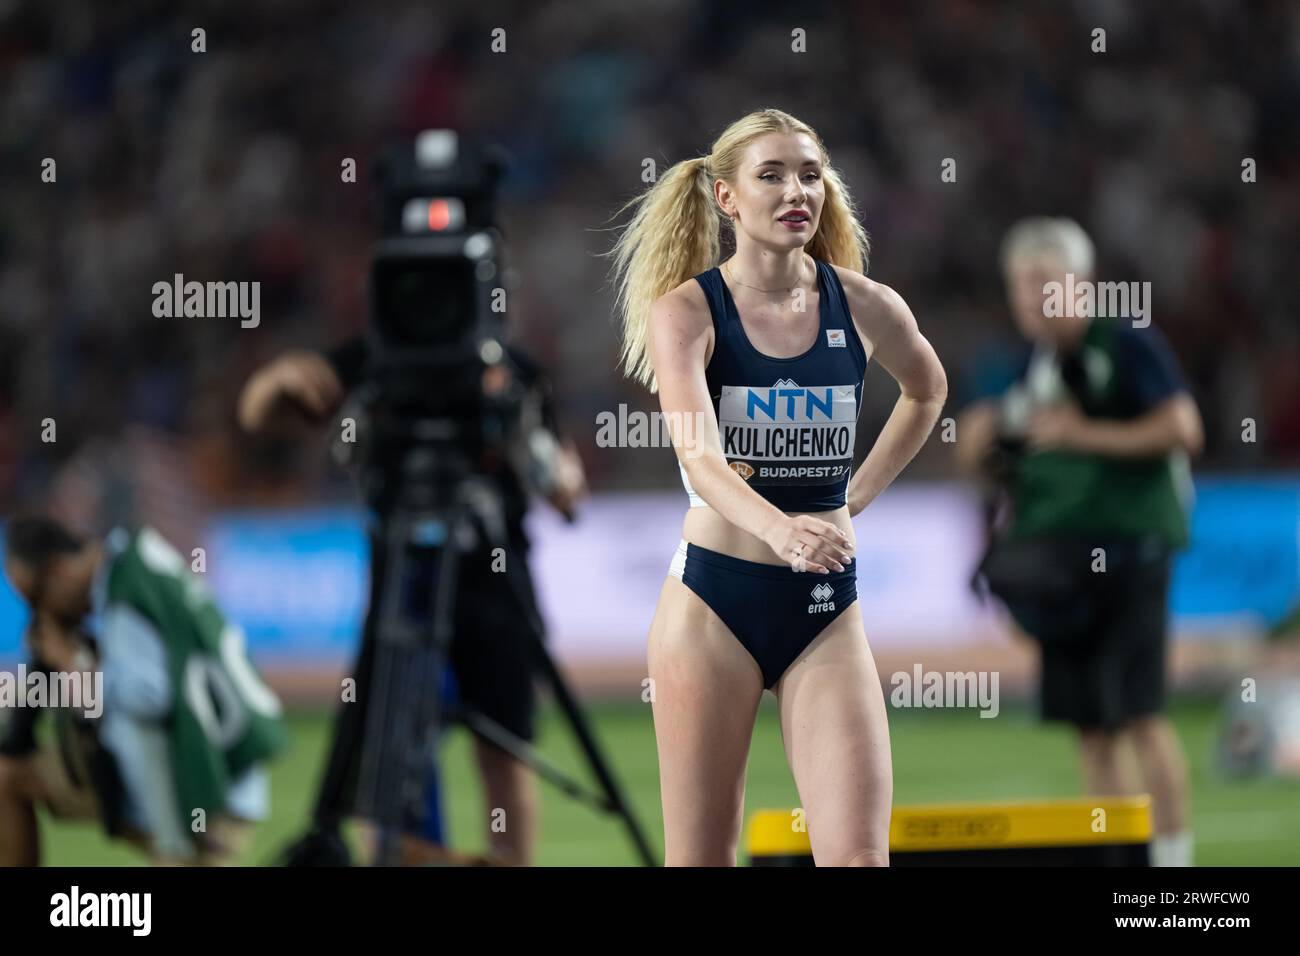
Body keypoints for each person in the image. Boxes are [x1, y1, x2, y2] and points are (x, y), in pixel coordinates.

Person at [605, 109, 946, 866]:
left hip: (825, 612)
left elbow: (928, 392)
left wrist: (855, 495)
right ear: (726, 198)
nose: (797, 190)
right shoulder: (688, 312)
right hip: (711, 609)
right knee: (702, 856)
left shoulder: (865, 305)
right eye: (772, 175)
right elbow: (700, 461)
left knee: (858, 857)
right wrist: (780, 527)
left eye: (810, 174)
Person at [238, 339, 586, 866]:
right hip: (405, 582)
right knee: (389, 758)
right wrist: (278, 379)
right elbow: (259, 417)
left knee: (506, 750)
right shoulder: (378, 355)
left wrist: (545, 462)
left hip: (491, 582)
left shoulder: (512, 369)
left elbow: (565, 490)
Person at [956, 216, 1203, 867]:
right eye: (1020, 283)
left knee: (1141, 714)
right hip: (1060, 564)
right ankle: (1119, 864)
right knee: (1090, 727)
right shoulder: (1023, 366)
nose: (1031, 296)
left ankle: (1172, 868)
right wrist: (978, 447)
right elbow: (1006, 466)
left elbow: (1183, 427)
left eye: (1044, 280)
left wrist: (1080, 434)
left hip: (1130, 550)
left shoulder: (1125, 344)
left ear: (1082, 285)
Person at [0, 516, 283, 865]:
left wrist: (71, 663)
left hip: (204, 789)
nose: (40, 614)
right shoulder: (139, 565)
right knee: (9, 777)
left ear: (59, 569)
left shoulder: (126, 595)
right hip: (202, 771)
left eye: (35, 598)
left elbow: (148, 696)